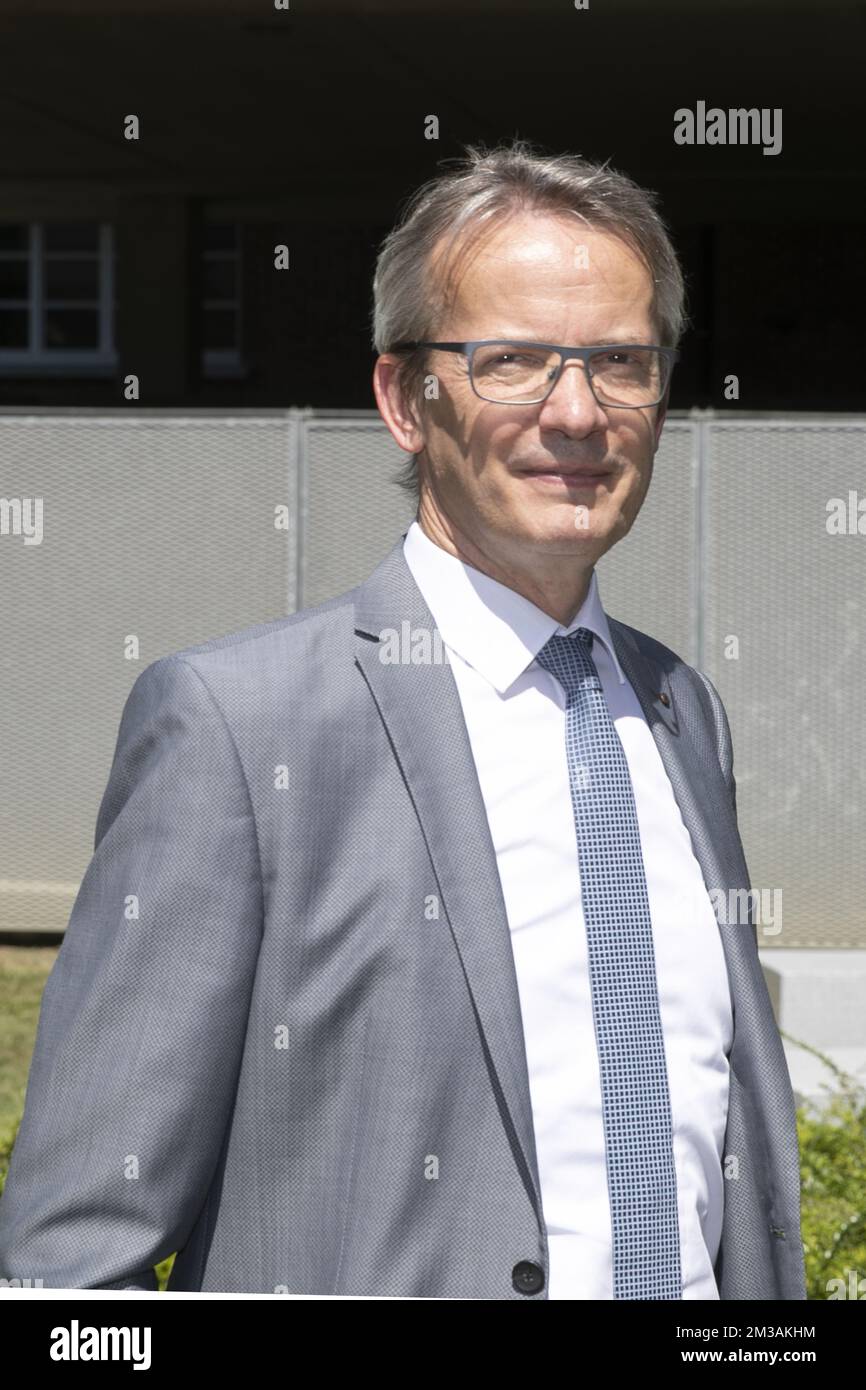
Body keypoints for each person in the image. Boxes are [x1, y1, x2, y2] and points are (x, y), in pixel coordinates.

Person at [0, 139, 806, 1299]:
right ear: (403, 399)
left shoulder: (681, 712)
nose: (574, 412)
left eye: (619, 362)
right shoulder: (240, 728)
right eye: (511, 361)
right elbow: (73, 1274)